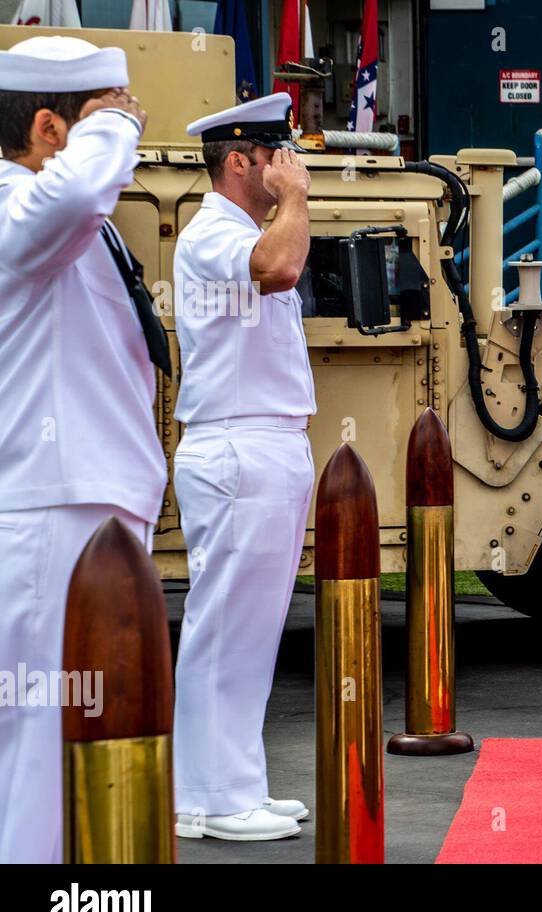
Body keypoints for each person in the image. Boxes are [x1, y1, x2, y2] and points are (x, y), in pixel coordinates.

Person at [0, 35, 167, 862]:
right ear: (48, 131)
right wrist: (109, 131)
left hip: (85, 505)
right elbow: (67, 206)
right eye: (113, 115)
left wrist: (101, 131)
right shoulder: (15, 208)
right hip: (51, 511)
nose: (131, 133)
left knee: (85, 747)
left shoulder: (53, 211)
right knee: (39, 752)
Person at [171, 92, 316, 841]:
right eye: (274, 156)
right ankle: (210, 797)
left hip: (262, 444)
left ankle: (234, 782)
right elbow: (282, 267)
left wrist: (286, 198)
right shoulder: (212, 233)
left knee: (249, 630)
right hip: (237, 447)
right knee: (226, 626)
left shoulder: (240, 227)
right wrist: (295, 199)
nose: (289, 166)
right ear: (239, 162)